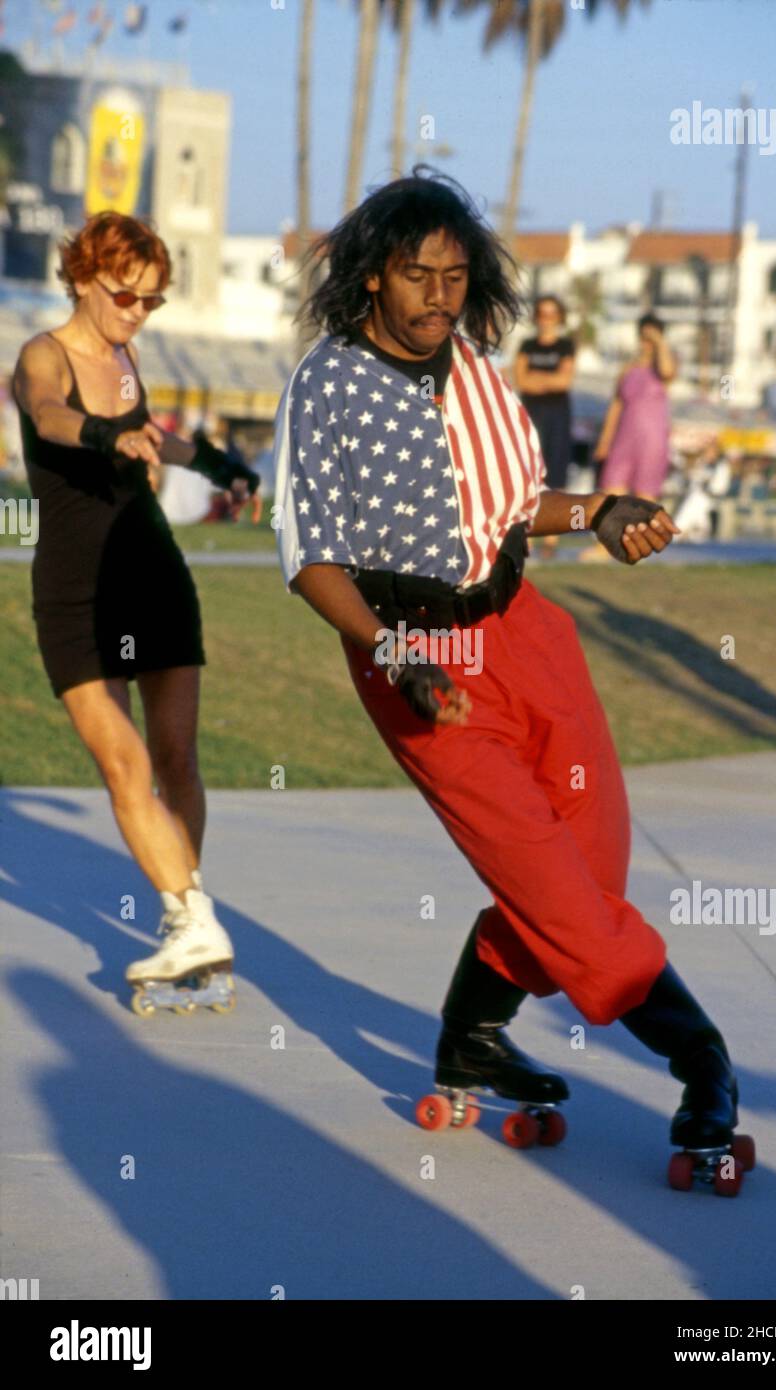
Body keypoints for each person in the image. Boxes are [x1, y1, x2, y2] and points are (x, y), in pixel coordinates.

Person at [270, 167, 747, 1171]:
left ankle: (471, 1038)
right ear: (370, 281)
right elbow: (309, 555)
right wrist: (397, 657)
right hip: (417, 658)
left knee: (590, 864)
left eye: (454, 273)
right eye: (415, 274)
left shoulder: (479, 364)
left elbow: (520, 500)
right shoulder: (330, 383)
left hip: (525, 629)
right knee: (556, 890)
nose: (439, 293)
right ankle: (702, 1061)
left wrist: (600, 512)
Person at [12, 211, 260, 1014]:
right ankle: (193, 919)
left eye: (152, 301)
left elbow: (150, 434)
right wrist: (100, 436)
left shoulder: (126, 351)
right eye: (126, 296)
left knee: (177, 759)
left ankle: (182, 917)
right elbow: (48, 415)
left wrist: (222, 463)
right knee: (124, 765)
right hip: (76, 587)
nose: (137, 312)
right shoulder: (42, 355)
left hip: (151, 570)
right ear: (83, 276)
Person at [581, 313, 676, 562]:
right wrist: (604, 441)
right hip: (624, 435)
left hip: (652, 437)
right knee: (611, 492)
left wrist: (659, 342)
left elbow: (667, 371)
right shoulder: (629, 368)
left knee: (645, 497)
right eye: (643, 336)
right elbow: (616, 404)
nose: (646, 341)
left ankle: (641, 549)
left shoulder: (664, 364)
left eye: (651, 336)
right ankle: (605, 547)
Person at [513, 296, 576, 560]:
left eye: (552, 314)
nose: (546, 319)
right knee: (527, 473)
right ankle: (524, 535)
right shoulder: (527, 345)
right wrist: (544, 380)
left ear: (559, 317)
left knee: (556, 476)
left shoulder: (565, 346)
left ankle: (551, 540)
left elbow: (564, 381)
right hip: (530, 415)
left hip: (557, 416)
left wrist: (537, 378)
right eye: (542, 313)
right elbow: (521, 381)